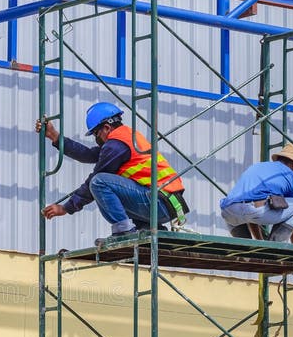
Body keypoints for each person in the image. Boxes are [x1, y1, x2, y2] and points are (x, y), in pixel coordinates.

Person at [35, 102, 189, 243]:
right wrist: (54, 136)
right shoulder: (125, 138)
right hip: (166, 204)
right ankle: (147, 227)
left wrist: (66, 208)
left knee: (99, 182)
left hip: (159, 203)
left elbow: (94, 179)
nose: (97, 139)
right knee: (110, 188)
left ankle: (124, 231)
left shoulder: (116, 145)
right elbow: (88, 154)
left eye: (96, 134)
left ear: (107, 128)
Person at [220, 143, 293, 244]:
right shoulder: (291, 177)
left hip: (228, 212)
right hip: (254, 210)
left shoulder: (257, 167)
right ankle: (275, 245)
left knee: (247, 246)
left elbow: (250, 212)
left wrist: (260, 241)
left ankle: (245, 249)